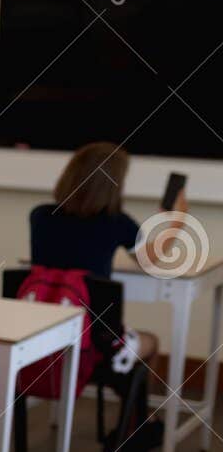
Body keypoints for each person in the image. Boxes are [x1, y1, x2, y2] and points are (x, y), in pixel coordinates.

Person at [30, 141, 163, 359]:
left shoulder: (40, 216)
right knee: (151, 341)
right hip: (95, 339)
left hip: (42, 332)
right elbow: (150, 260)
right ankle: (126, 387)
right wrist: (178, 220)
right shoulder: (118, 223)